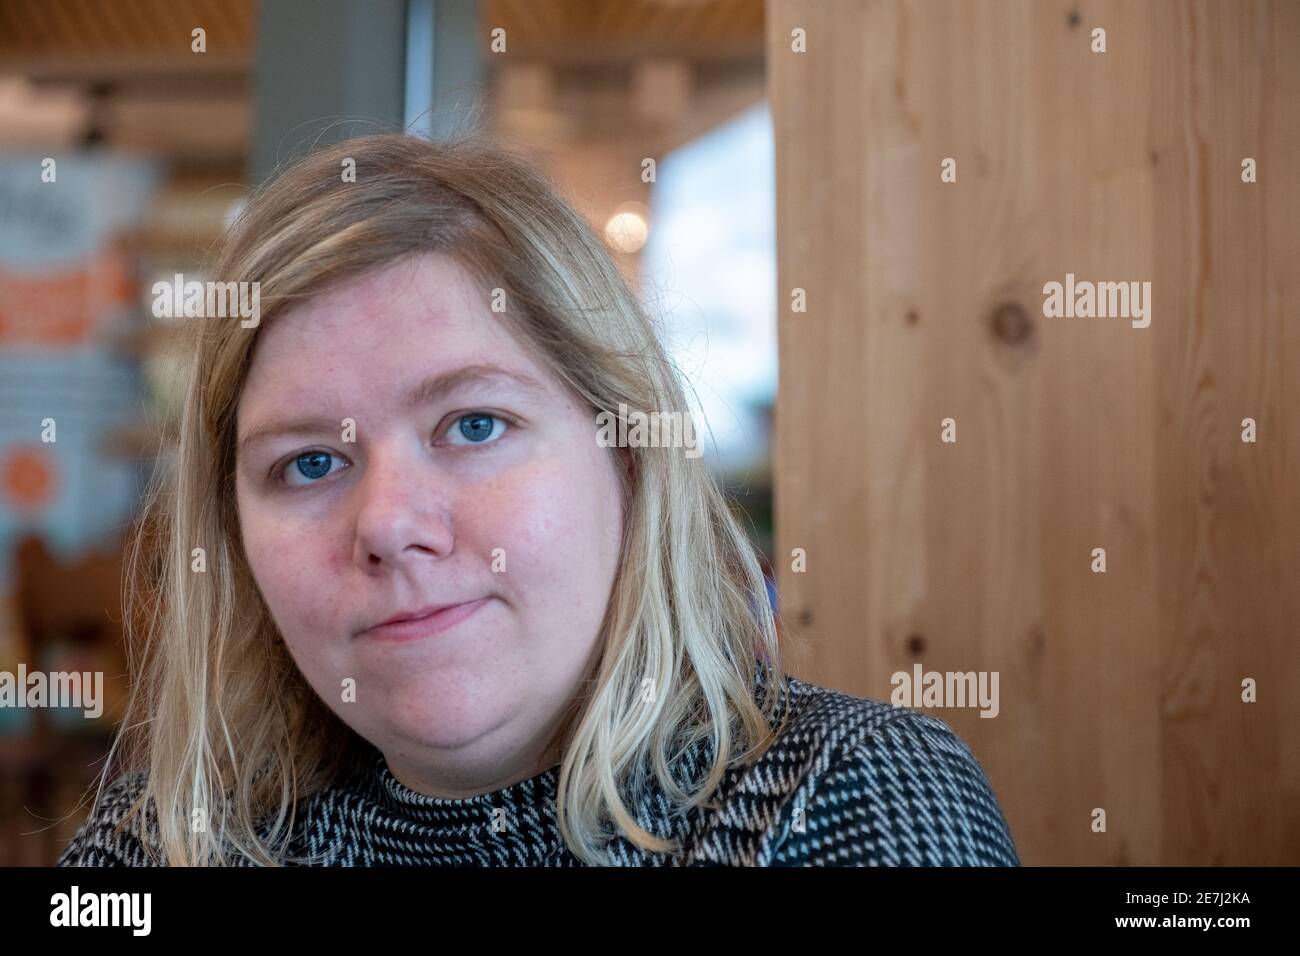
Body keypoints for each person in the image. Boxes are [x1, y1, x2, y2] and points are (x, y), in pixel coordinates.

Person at [58, 132, 1019, 867]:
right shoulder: (170, 839)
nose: (390, 524)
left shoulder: (841, 802)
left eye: (473, 425)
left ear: (628, 454)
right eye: (309, 464)